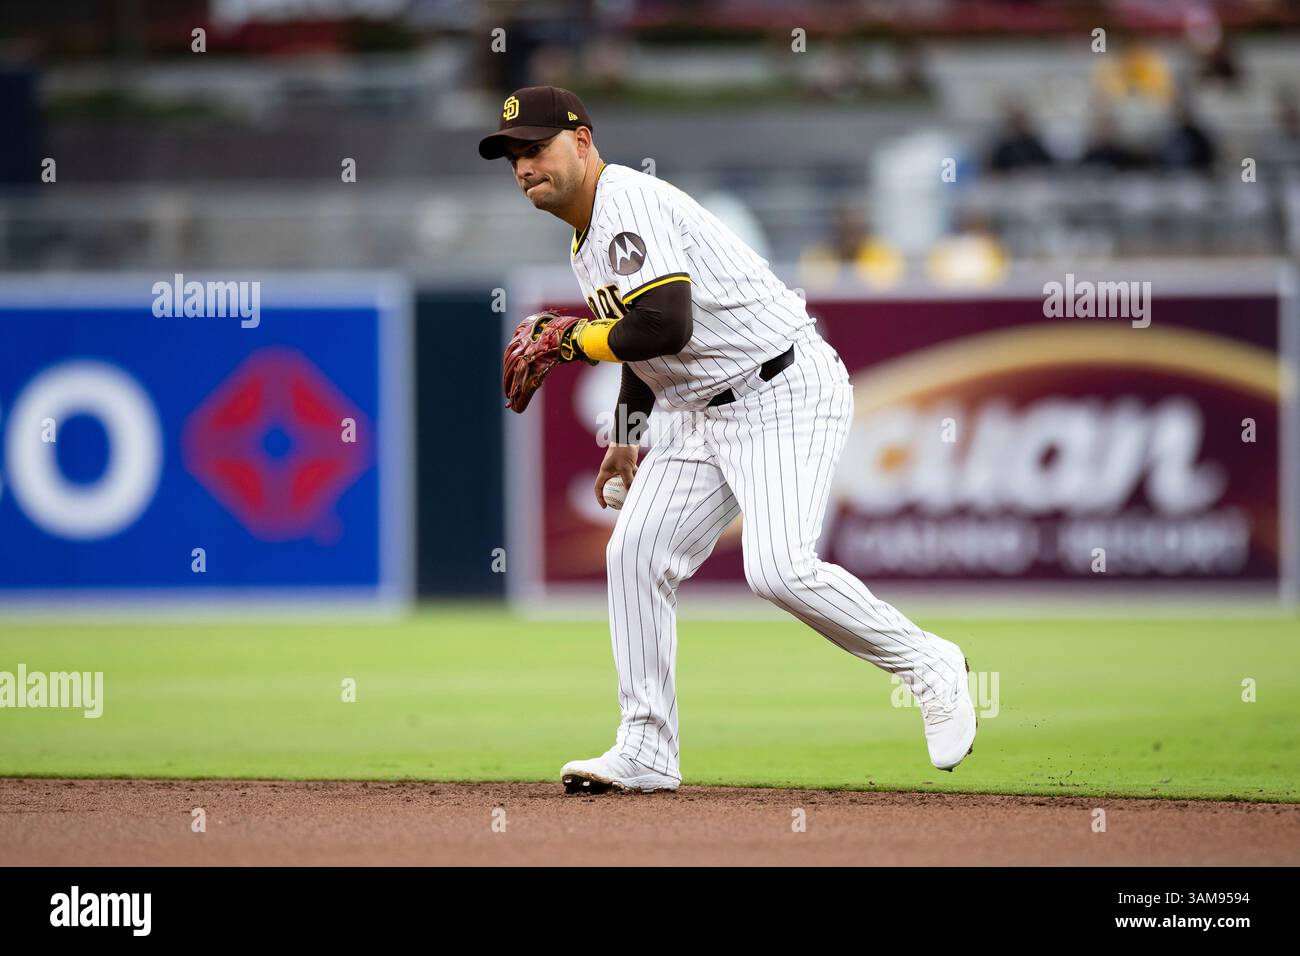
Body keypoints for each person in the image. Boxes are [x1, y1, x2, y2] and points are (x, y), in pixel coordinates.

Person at [480, 86, 977, 794]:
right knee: (635, 552)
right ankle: (647, 749)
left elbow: (666, 325)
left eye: (536, 147)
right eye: (511, 156)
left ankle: (928, 664)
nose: (523, 165)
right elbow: (652, 349)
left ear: (582, 142)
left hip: (780, 389)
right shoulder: (587, 236)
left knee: (776, 567)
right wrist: (624, 437)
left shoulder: (624, 200)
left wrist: (570, 342)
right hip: (698, 411)